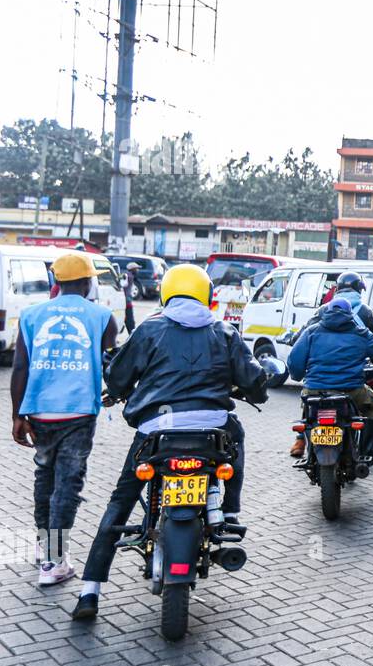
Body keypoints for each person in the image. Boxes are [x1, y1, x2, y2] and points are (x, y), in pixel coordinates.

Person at [71, 264, 268, 621]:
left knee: (120, 503)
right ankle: (230, 508)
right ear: (206, 295)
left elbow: (117, 376)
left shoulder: (149, 329)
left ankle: (89, 592)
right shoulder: (224, 331)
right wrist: (258, 385)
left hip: (157, 436)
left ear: (167, 293)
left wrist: (117, 389)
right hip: (212, 434)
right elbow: (254, 379)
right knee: (235, 438)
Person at [11, 252, 118, 587]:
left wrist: (17, 414)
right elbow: (111, 364)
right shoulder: (103, 316)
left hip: (39, 412)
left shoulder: (30, 315)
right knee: (67, 485)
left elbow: (20, 368)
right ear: (88, 283)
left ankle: (45, 548)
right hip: (79, 412)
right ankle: (55, 562)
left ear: (56, 282)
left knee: (45, 476)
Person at [287, 297, 373, 461]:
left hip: (315, 390)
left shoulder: (311, 331)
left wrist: (297, 376)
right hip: (351, 390)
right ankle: (367, 452)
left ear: (327, 311)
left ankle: (308, 450)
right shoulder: (360, 333)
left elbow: (294, 362)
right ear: (350, 314)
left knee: (308, 416)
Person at [121, 262, 139, 335]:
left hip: (124, 301)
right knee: (130, 321)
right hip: (127, 302)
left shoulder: (125, 275)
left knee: (126, 319)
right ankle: (132, 335)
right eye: (136, 269)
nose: (138, 270)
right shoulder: (130, 276)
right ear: (133, 269)